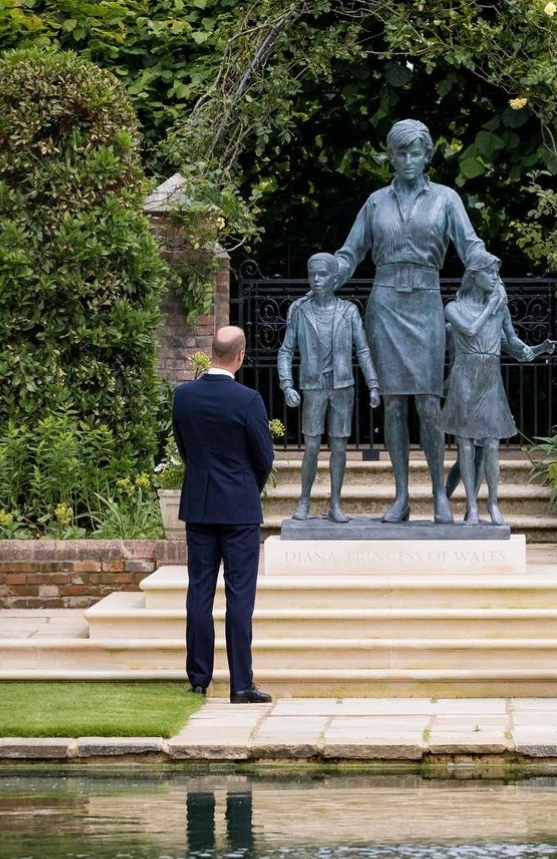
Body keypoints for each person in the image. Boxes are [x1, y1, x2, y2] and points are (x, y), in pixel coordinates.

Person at [333, 119, 490, 524]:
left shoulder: (446, 199)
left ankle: (439, 494)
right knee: (393, 404)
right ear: (391, 155)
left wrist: (487, 267)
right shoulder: (375, 203)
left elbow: (470, 245)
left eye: (414, 153)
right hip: (385, 305)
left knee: (428, 402)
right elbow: (351, 253)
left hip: (425, 303)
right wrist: (330, 272)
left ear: (427, 156)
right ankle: (401, 496)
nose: (407, 160)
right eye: (400, 153)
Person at [171, 325, 274, 702]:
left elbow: (185, 449)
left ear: (211, 351)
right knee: (239, 596)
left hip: (199, 506)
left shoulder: (184, 396)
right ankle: (241, 684)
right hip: (240, 510)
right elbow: (264, 457)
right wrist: (246, 487)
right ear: (240, 356)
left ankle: (199, 678)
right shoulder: (248, 400)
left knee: (199, 591)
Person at [430, 251, 557, 525]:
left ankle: (493, 503)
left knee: (491, 443)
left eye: (497, 273)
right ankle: (471, 507)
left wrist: (539, 349)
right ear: (473, 275)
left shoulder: (500, 309)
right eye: (490, 273)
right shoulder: (454, 308)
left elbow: (513, 343)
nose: (495, 278)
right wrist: (491, 307)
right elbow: (470, 330)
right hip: (464, 377)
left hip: (490, 379)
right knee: (465, 444)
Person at [278, 252, 378, 523]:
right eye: (312, 274)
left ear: (335, 278)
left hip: (343, 386)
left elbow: (363, 350)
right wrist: (287, 385)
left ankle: (335, 503)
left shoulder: (349, 311)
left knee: (340, 447)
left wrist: (373, 384)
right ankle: (304, 500)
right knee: (311, 446)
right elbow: (285, 351)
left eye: (322, 274)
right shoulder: (300, 311)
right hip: (313, 386)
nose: (316, 279)